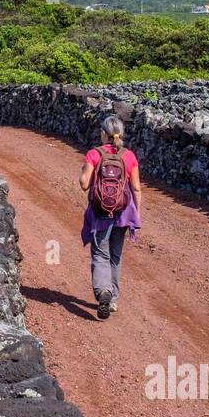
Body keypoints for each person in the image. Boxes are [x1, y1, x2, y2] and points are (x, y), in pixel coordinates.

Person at [79, 115, 142, 319]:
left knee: (100, 254)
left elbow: (84, 184)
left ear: (103, 133)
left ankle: (102, 291)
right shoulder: (129, 156)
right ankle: (112, 299)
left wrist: (85, 170)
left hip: (100, 214)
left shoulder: (94, 154)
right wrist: (136, 213)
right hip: (123, 213)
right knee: (115, 256)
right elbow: (136, 188)